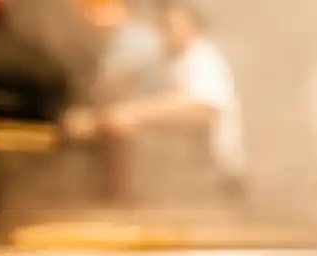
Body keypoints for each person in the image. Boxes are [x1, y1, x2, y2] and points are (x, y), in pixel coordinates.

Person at [69, 0, 246, 202]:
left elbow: (204, 110)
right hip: (184, 187)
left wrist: (133, 114)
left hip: (213, 187)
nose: (161, 32)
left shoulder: (203, 57)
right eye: (160, 25)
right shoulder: (173, 61)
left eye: (169, 25)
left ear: (194, 27)